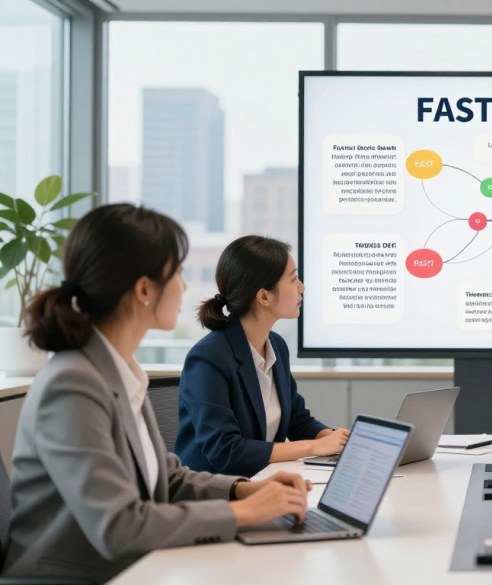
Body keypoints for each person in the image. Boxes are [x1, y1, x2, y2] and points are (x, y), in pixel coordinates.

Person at [2, 204, 312, 583]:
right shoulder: (72, 385)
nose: (184, 285)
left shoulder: (120, 371)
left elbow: (169, 479)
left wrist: (246, 490)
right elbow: (120, 527)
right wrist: (244, 514)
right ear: (144, 290)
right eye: (178, 273)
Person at [176, 236, 349, 477]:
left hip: (261, 482)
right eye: (293, 279)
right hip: (215, 495)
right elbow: (226, 451)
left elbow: (297, 421)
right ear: (264, 296)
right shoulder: (208, 358)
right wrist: (314, 447)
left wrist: (334, 438)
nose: (302, 287)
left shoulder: (276, 345)